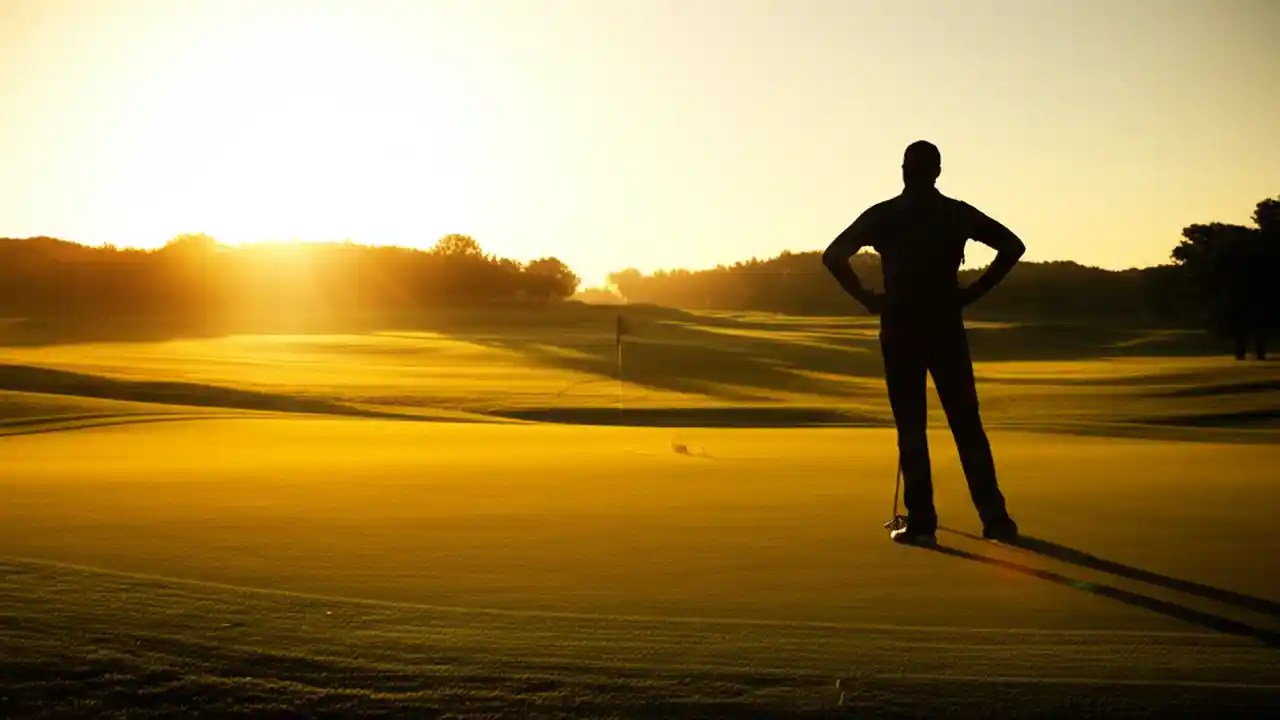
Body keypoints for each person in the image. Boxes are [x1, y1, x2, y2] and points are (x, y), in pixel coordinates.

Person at [821, 140, 1024, 546]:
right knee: (967, 423)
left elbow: (833, 255)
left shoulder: (885, 215)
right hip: (945, 321)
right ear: (938, 171)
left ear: (903, 170)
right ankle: (995, 519)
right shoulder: (956, 213)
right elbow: (1012, 246)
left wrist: (867, 299)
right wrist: (973, 292)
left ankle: (922, 523)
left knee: (911, 424)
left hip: (900, 324)